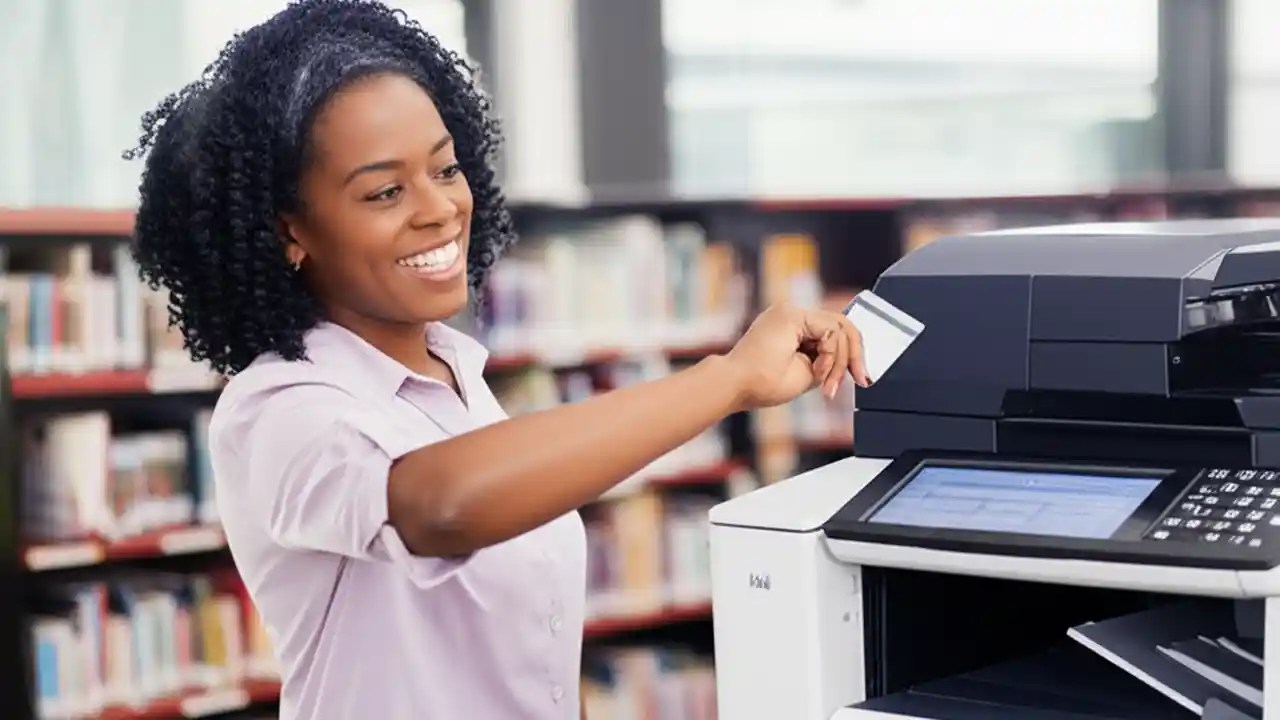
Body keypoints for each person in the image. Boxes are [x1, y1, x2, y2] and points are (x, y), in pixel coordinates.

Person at [125, 1, 870, 718]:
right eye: (385, 191)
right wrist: (729, 377)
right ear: (289, 231)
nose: (440, 208)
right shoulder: (279, 407)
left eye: (445, 170)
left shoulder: (461, 383)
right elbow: (439, 507)